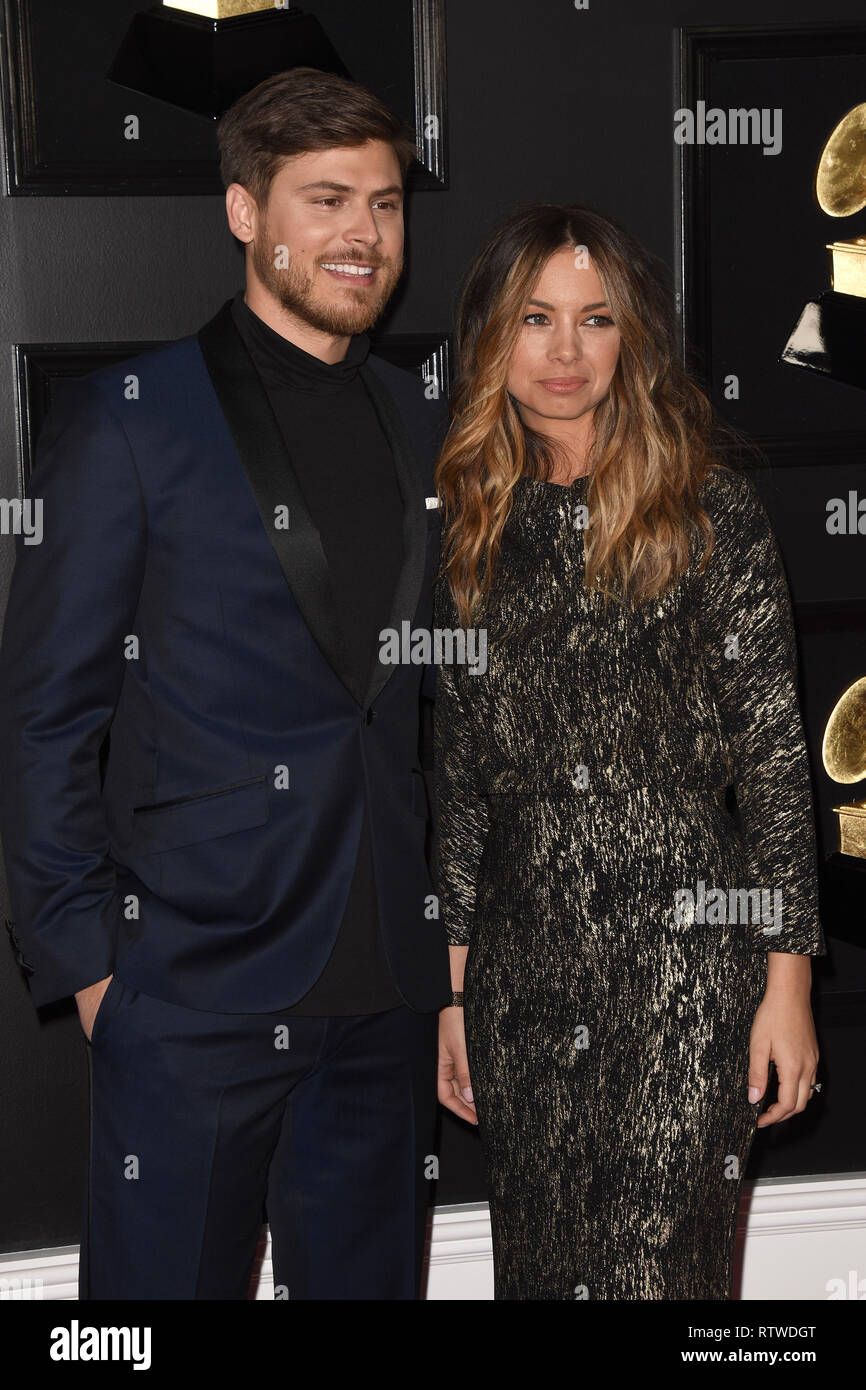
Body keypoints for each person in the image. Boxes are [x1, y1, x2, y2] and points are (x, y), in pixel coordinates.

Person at [0, 67, 452, 1300]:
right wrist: (94, 971)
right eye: (325, 200)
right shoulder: (131, 421)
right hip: (188, 992)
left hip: (383, 1000)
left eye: (384, 202)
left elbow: (434, 715)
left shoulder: (425, 422)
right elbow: (43, 719)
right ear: (246, 213)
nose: (363, 233)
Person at [433, 204, 826, 1300]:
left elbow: (775, 763)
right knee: (543, 1277)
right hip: (520, 967)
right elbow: (461, 783)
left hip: (684, 961)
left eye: (593, 320)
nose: (563, 353)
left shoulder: (710, 511)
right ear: (490, 342)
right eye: (534, 321)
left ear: (631, 340)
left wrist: (784, 986)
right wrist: (454, 995)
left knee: (660, 1273)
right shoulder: (471, 525)